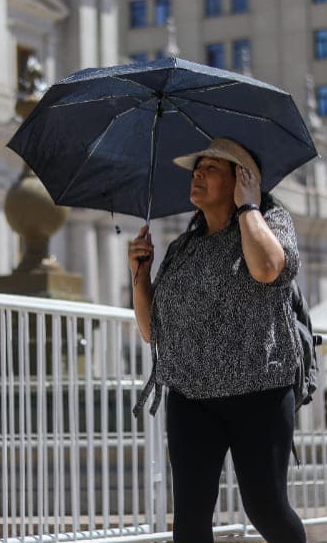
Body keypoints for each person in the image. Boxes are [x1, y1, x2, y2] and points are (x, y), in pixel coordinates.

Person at [127, 137, 306, 543]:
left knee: (267, 508)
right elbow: (154, 332)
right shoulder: (183, 248)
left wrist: (248, 206)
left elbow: (267, 268)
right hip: (191, 398)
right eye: (197, 167)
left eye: (210, 168)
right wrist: (139, 275)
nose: (197, 174)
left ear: (240, 179)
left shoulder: (272, 222)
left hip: (259, 392)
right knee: (189, 523)